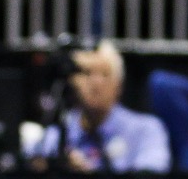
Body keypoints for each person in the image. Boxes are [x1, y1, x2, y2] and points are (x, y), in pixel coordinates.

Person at [22, 40, 170, 172]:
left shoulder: (146, 130)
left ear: (119, 86)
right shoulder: (60, 132)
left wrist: (89, 177)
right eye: (87, 73)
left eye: (105, 74)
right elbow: (27, 159)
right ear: (73, 82)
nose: (95, 84)